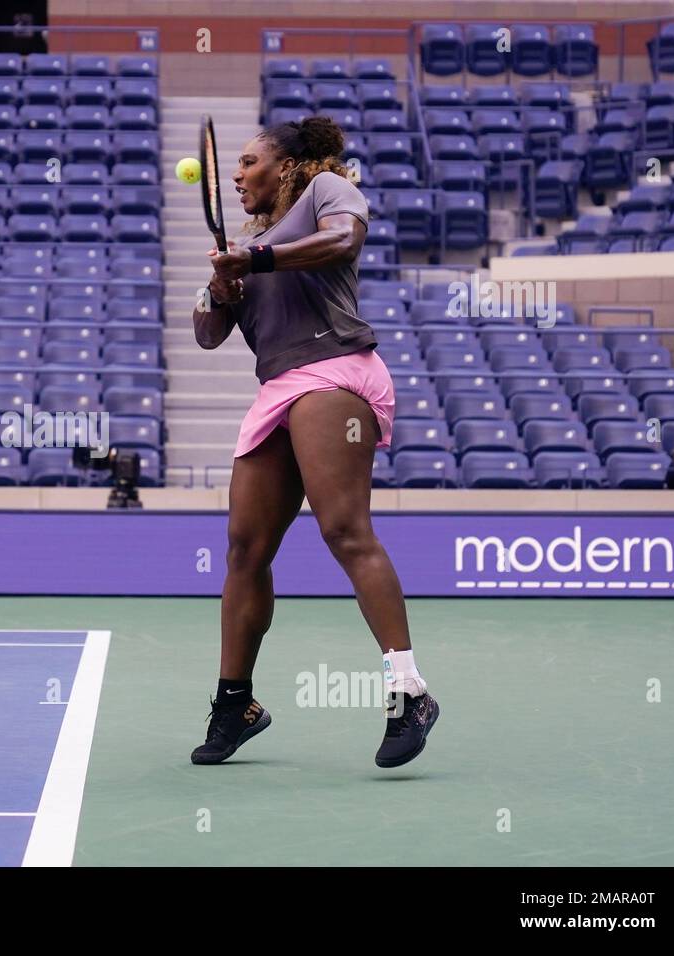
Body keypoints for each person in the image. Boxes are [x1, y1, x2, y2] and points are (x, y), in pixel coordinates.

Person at [189, 116, 438, 769]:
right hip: (276, 388)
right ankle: (235, 703)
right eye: (235, 167)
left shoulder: (326, 189)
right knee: (244, 550)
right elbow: (207, 335)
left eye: (248, 163)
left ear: (286, 166)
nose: (237, 175)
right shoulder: (244, 241)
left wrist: (258, 258)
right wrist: (219, 291)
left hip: (334, 372)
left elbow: (345, 239)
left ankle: (409, 691)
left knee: (344, 530)